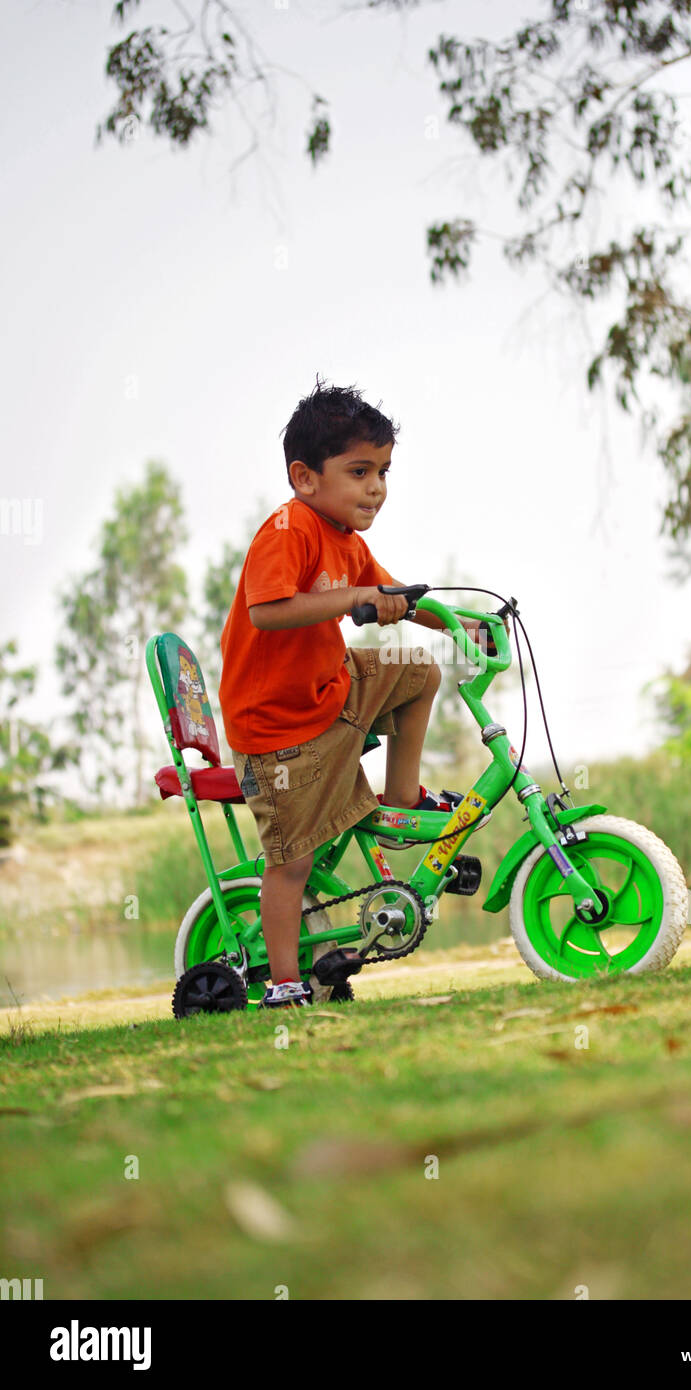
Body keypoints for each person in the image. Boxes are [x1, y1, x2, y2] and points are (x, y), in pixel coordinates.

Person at [218, 381, 482, 1008]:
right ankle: (284, 985)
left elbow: (401, 598)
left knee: (417, 671)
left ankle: (399, 801)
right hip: (280, 732)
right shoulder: (288, 530)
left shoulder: (348, 541)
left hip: (330, 690)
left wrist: (460, 623)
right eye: (360, 471)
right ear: (305, 477)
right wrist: (355, 601)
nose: (376, 488)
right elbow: (269, 611)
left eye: (384, 472)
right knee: (291, 863)